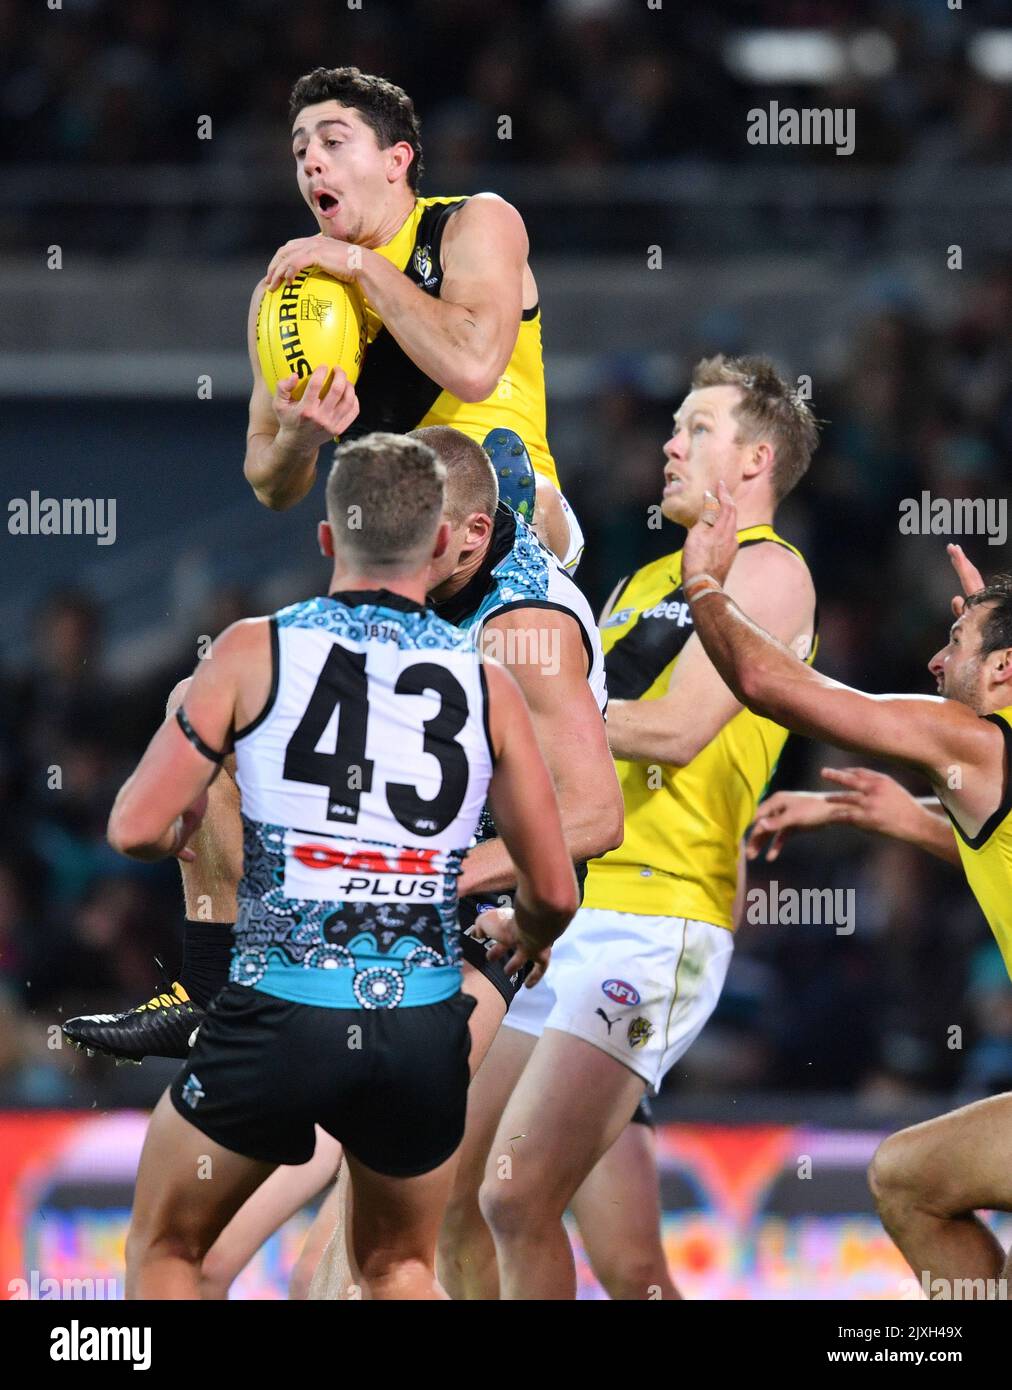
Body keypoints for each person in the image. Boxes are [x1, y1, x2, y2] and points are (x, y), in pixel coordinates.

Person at [111, 433, 578, 1300]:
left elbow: (133, 828)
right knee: (397, 1266)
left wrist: (184, 822)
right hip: (421, 1023)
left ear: (327, 540)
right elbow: (556, 889)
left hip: (283, 1010)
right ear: (439, 542)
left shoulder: (253, 650)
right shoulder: (487, 682)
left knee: (169, 1247)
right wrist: (531, 928)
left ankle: (204, 1001)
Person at [446, 354, 820, 1299]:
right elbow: (575, 761)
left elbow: (681, 731)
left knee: (514, 1195)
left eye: (698, 427)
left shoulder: (771, 573)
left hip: (656, 926)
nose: (670, 442)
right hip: (569, 914)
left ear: (756, 459)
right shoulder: (646, 578)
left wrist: (520, 710)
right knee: (463, 1199)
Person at [680, 493, 1012, 1298]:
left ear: (1003, 670)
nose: (936, 662)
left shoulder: (972, 739)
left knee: (905, 1178)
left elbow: (773, 684)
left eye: (955, 642)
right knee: (906, 1177)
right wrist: (877, 814)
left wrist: (705, 589)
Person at [246, 65, 582, 567]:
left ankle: (519, 544)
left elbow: (473, 370)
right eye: (300, 152)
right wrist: (298, 439)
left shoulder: (473, 223)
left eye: (333, 143)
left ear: (396, 160)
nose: (311, 161)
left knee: (476, 494)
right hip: (395, 549)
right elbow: (270, 486)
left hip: (506, 508)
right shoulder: (284, 294)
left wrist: (363, 267)